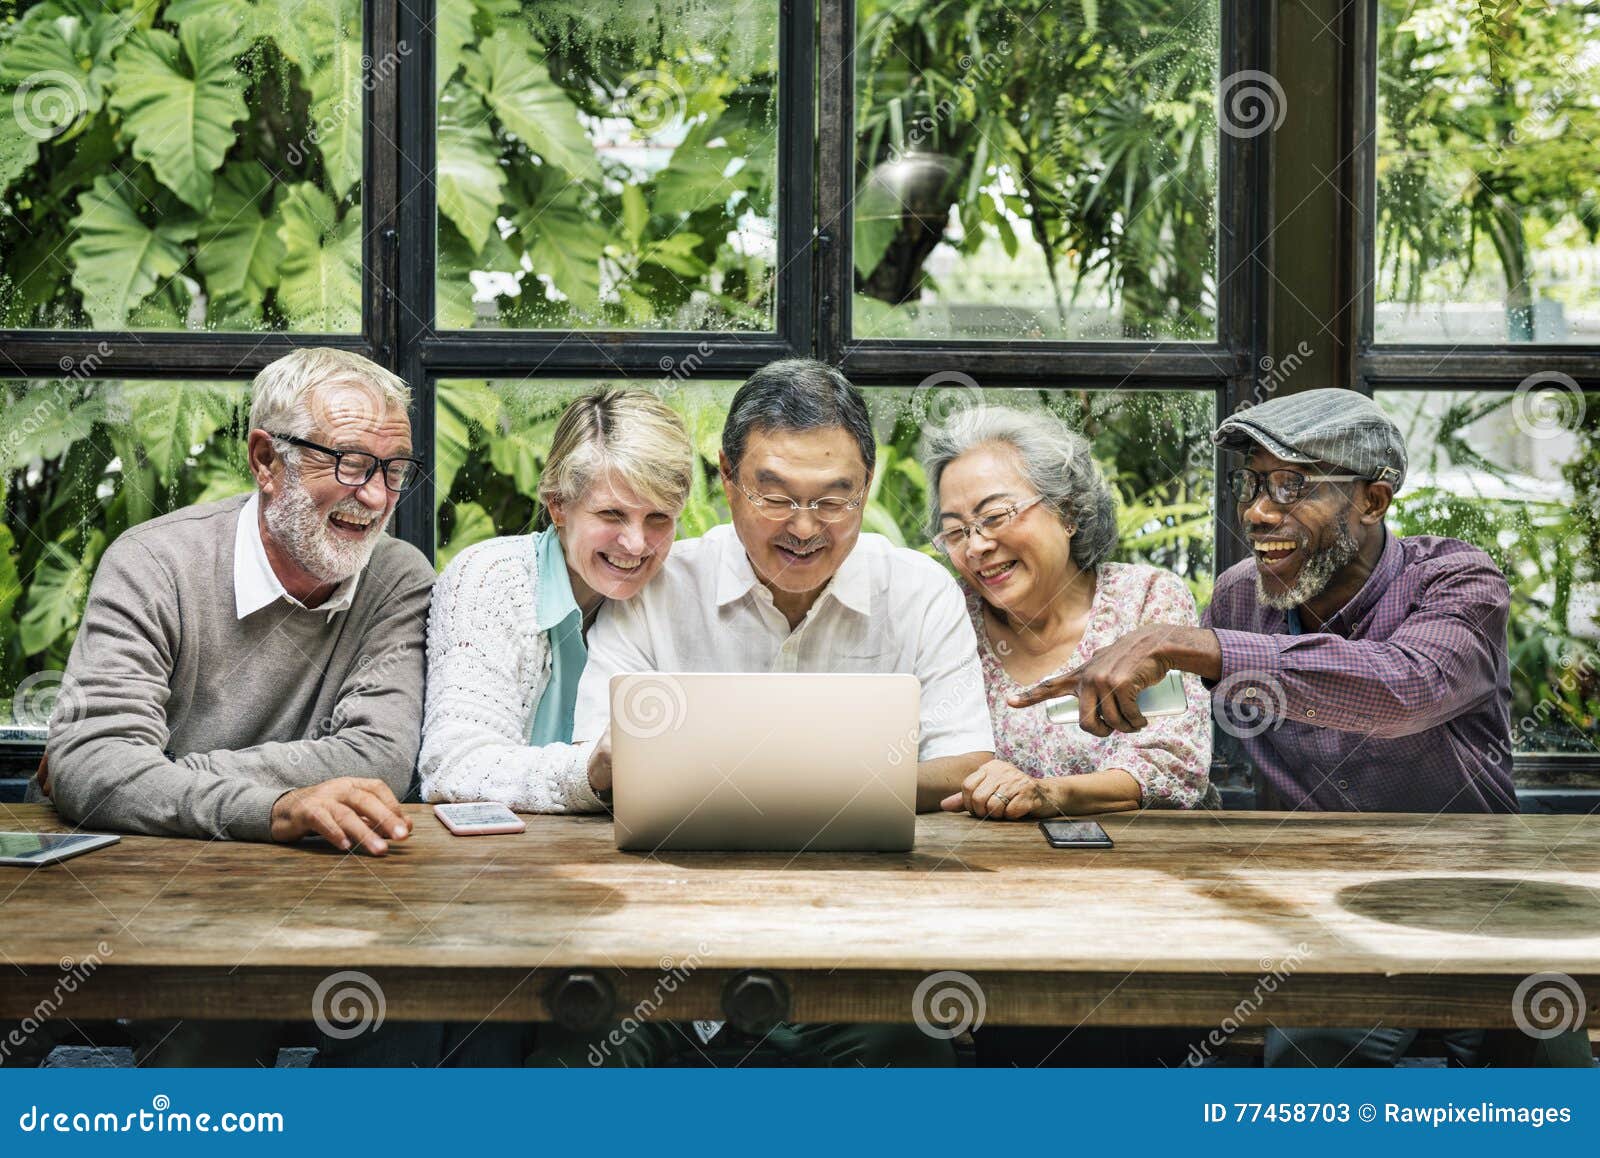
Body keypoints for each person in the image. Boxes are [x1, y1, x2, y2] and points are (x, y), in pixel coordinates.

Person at [1009, 386, 1591, 1068]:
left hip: (1478, 897)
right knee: (1305, 1067)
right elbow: (1180, 711)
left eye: (1292, 486)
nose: (1258, 512)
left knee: (1554, 1079)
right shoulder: (1240, 596)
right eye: (1254, 485)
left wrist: (1198, 646)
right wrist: (1079, 710)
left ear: (1373, 500)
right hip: (1323, 901)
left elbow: (1405, 689)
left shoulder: (1456, 579)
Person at [550, 358, 995, 1067]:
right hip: (660, 944)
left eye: (834, 500)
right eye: (776, 496)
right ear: (728, 479)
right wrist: (838, 786)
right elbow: (597, 758)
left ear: (868, 485)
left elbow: (967, 763)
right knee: (582, 1049)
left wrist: (764, 784)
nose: (805, 527)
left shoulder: (918, 592)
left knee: (908, 1049)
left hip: (855, 948)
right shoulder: (656, 589)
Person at [43, 348, 433, 1067]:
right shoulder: (155, 563)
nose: (377, 497)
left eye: (393, 469)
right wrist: (275, 808)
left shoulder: (398, 578)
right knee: (204, 1040)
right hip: (173, 897)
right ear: (265, 459)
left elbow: (378, 760)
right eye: (349, 463)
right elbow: (92, 767)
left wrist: (159, 773)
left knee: (422, 1026)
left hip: (345, 899)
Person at [923, 403, 1212, 822]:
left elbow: (1172, 766)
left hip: (1138, 853)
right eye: (955, 531)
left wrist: (1047, 794)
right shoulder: (948, 615)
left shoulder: (1146, 600)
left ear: (1068, 511)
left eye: (995, 516)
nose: (976, 546)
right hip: (978, 857)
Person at [419, 390, 696, 814]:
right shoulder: (491, 579)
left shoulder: (679, 588)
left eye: (658, 517)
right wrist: (588, 770)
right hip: (504, 849)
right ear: (558, 506)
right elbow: (454, 766)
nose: (636, 544)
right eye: (612, 514)